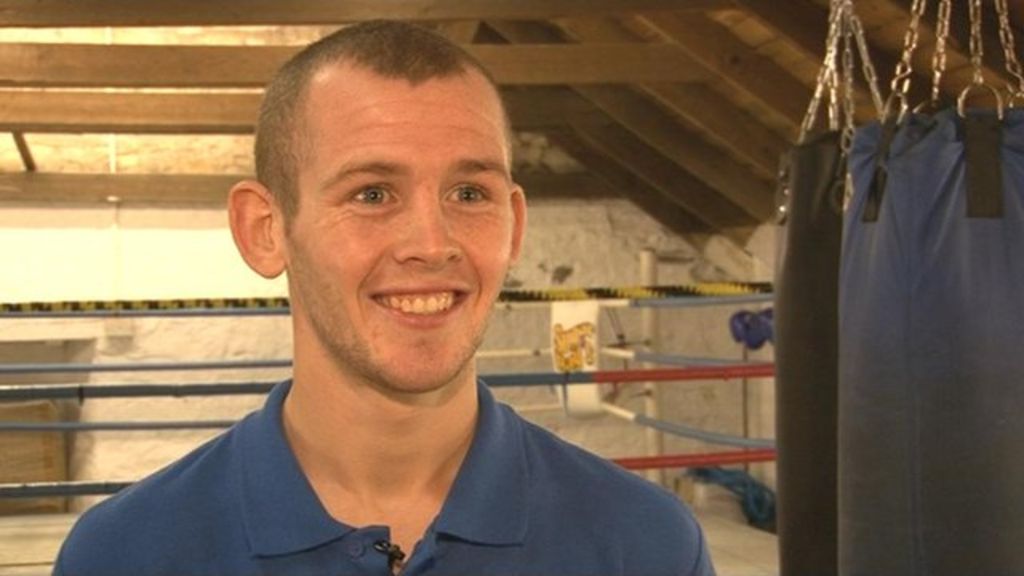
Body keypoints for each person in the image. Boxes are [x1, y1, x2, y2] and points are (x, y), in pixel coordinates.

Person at [54, 20, 714, 576]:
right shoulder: (125, 555)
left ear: (514, 223)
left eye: (469, 194)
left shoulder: (647, 547)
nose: (432, 243)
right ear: (265, 230)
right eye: (372, 194)